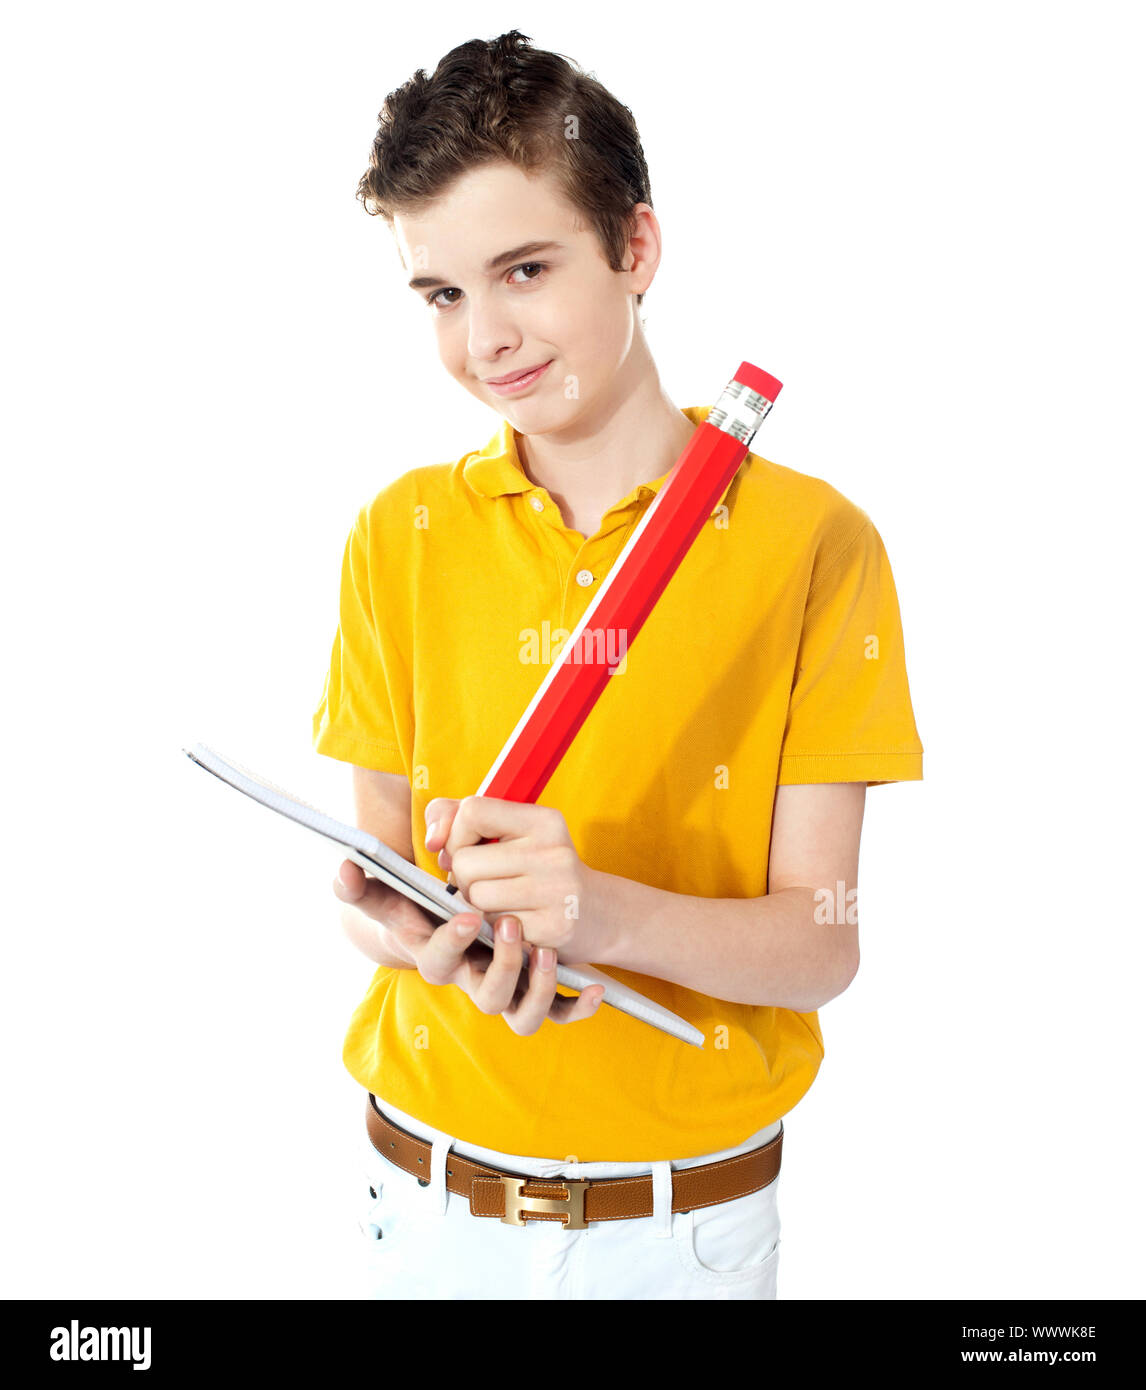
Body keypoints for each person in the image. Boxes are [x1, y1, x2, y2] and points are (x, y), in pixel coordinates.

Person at [311, 30, 923, 1301]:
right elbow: (391, 867)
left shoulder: (815, 543)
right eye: (441, 294)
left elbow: (823, 945)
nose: (487, 338)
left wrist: (600, 914)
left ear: (635, 249)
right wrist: (411, 926)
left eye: (524, 269)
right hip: (421, 1188)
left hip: (684, 1226)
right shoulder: (397, 534)